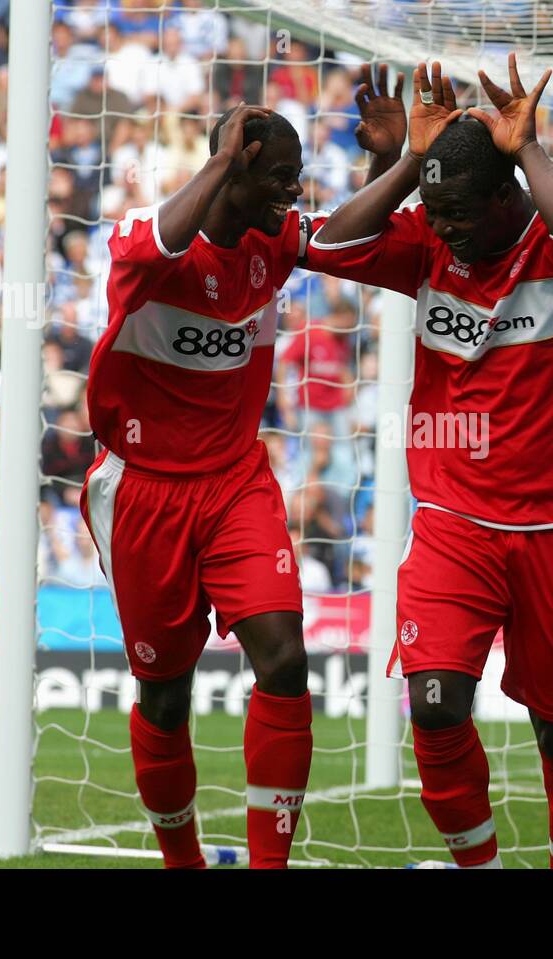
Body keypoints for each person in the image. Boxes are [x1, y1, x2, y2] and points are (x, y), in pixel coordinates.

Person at [307, 56, 553, 868]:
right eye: (434, 212)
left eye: (457, 213)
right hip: (454, 522)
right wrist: (412, 166)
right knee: (436, 703)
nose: (443, 228)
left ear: (505, 198)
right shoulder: (428, 242)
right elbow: (324, 242)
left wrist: (527, 150)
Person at [79, 88, 404, 868]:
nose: (294, 193)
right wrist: (220, 160)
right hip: (142, 491)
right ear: (237, 173)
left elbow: (352, 237)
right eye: (282, 177)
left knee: (286, 659)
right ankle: (182, 861)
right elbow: (149, 244)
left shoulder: (277, 239)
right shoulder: (146, 250)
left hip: (233, 480)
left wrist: (402, 162)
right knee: (165, 693)